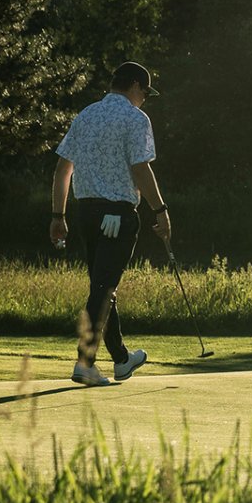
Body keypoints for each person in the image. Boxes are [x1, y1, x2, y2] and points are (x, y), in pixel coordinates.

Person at [48, 61, 172, 386]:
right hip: (117, 215)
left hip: (85, 214)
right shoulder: (136, 118)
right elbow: (142, 170)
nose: (144, 99)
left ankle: (120, 359)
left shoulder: (86, 115)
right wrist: (160, 210)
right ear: (134, 86)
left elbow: (63, 169)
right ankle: (85, 362)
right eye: (145, 92)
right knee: (103, 288)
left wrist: (57, 216)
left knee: (102, 286)